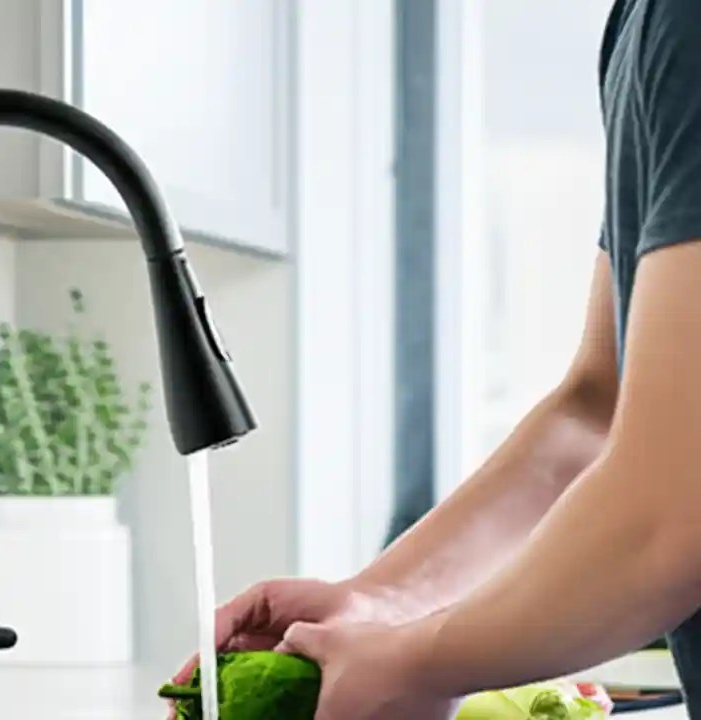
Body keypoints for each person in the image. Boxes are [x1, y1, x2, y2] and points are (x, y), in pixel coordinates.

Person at [171, 1, 701, 717]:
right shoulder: (647, 20)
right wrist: (383, 604)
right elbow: (595, 410)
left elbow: (674, 505)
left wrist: (422, 662)